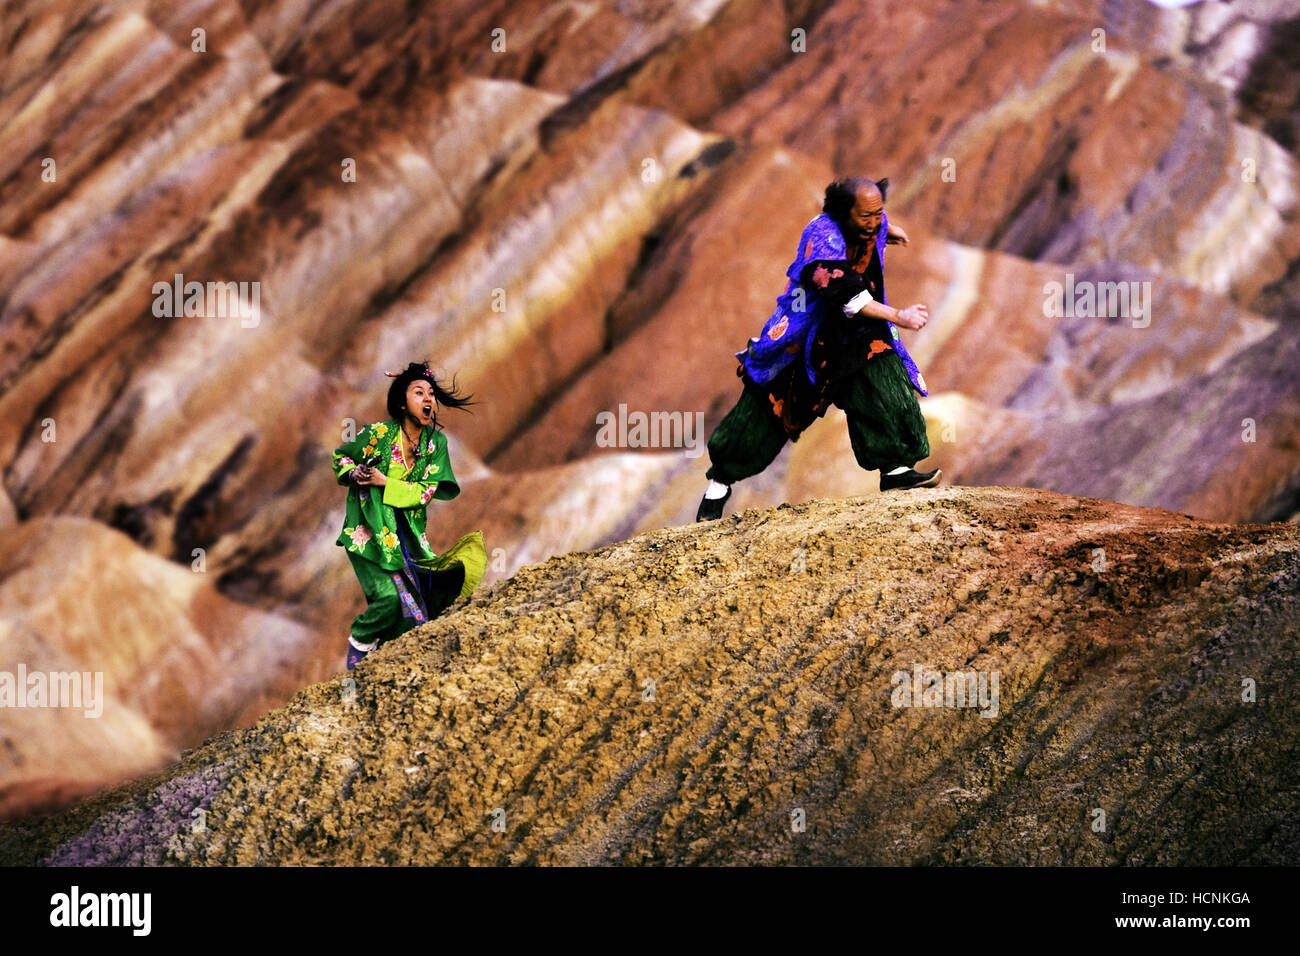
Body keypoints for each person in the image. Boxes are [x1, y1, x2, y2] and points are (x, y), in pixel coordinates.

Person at [696, 176, 940, 521]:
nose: (873, 224)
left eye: (878, 215)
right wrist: (898, 315)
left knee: (886, 381)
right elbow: (843, 291)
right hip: (805, 338)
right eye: (865, 217)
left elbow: (877, 222)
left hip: (854, 337)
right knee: (763, 411)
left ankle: (896, 470)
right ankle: (717, 487)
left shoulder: (871, 223)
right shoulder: (821, 238)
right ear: (843, 214)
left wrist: (889, 230)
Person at [332, 362, 487, 669]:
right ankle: (357, 655)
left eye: (431, 393)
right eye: (419, 393)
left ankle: (385, 663)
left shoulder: (436, 444)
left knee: (425, 601)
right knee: (389, 600)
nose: (428, 398)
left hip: (409, 538)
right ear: (402, 403)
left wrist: (384, 482)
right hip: (369, 535)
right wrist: (355, 473)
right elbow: (342, 457)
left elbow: (425, 492)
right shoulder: (376, 434)